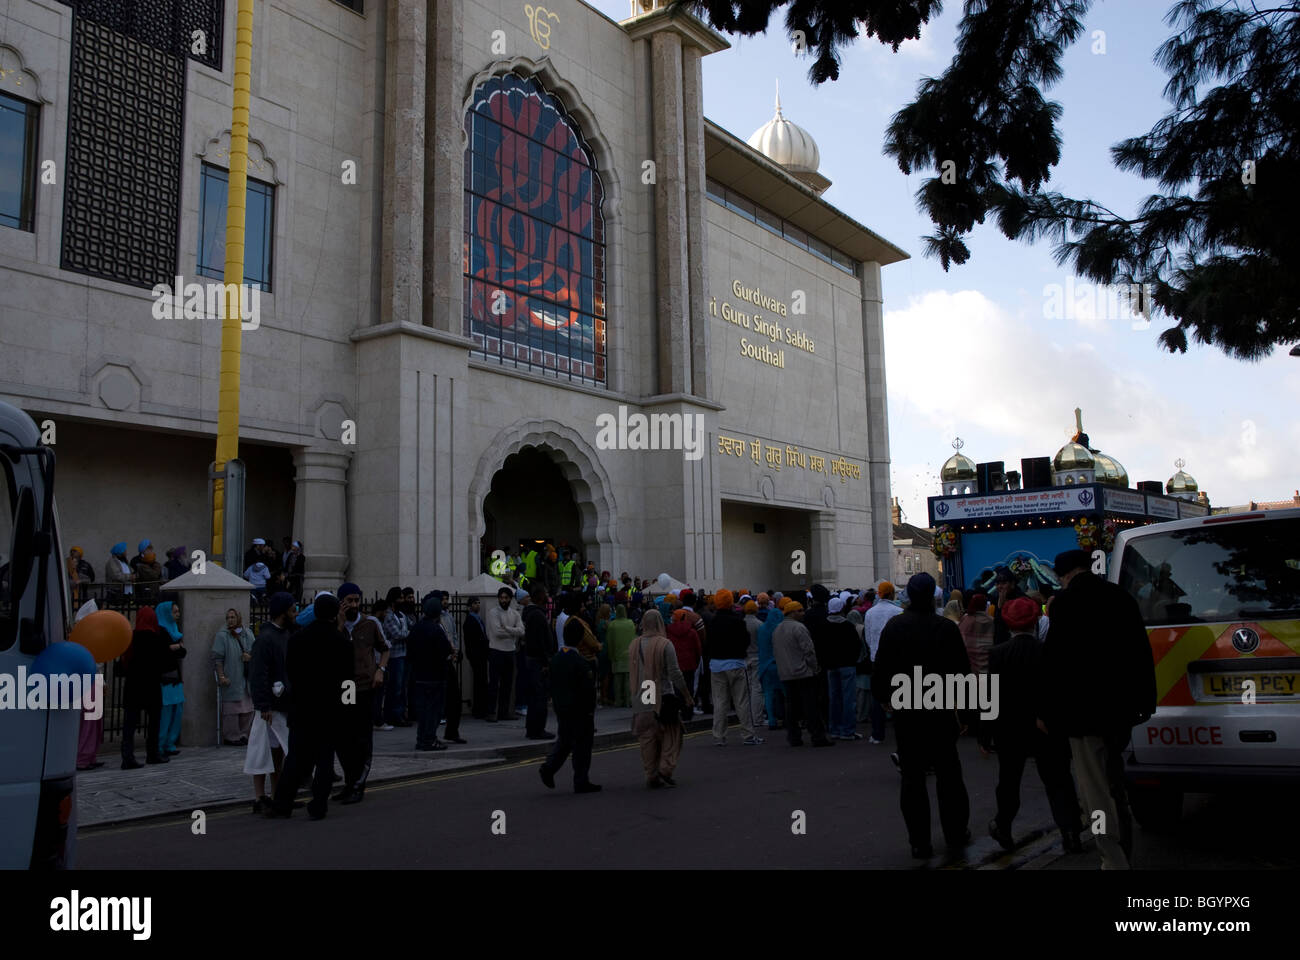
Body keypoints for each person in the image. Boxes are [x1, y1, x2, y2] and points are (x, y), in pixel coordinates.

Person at [1041, 549, 1156, 870]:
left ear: (1064, 575)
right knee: (1114, 782)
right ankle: (1125, 849)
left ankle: (1113, 859)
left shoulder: (1065, 604)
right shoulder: (1120, 597)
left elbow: (1056, 663)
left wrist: (1046, 712)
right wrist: (1146, 703)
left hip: (1083, 715)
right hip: (1121, 711)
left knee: (1095, 795)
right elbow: (1140, 652)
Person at [872, 573, 972, 860]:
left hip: (908, 711)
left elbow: (882, 667)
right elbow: (961, 674)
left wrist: (884, 698)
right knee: (949, 775)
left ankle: (919, 841)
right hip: (940, 710)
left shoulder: (895, 627)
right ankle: (955, 832)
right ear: (932, 596)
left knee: (913, 778)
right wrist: (965, 714)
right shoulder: (945, 628)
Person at [986, 596, 1084, 853]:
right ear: (1035, 621)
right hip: (1046, 727)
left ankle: (1003, 827)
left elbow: (990, 698)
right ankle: (1071, 831)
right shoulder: (1048, 652)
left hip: (1009, 730)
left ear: (1008, 623)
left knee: (1009, 781)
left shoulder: (997, 654)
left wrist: (985, 734)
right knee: (1058, 780)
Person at [267, 592, 350, 820]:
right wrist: (347, 709)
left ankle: (282, 804)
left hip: (302, 707)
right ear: (335, 614)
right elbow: (347, 681)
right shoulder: (342, 642)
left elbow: (291, 673)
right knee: (325, 760)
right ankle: (319, 805)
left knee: (295, 758)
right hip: (330, 710)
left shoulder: (297, 639)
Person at [335, 582, 388, 803]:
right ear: (341, 603)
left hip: (365, 686)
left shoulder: (370, 624)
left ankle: (358, 784)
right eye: (349, 601)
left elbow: (385, 648)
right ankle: (349, 782)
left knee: (363, 736)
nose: (354, 605)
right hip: (344, 687)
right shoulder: (335, 626)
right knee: (343, 737)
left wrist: (380, 670)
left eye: (357, 600)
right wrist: (338, 625)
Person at [629, 608, 693, 788]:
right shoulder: (665, 644)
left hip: (643, 693)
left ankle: (651, 774)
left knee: (648, 737)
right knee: (672, 732)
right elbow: (675, 673)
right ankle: (665, 767)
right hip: (662, 692)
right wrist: (686, 695)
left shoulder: (634, 644)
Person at [538, 618, 602, 793]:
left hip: (561, 707)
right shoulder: (581, 663)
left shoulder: (556, 660)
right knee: (582, 746)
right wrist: (590, 711)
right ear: (581, 639)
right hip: (580, 711)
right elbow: (588, 691)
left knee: (565, 740)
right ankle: (581, 780)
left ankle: (549, 768)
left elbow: (550, 683)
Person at [246, 591, 294, 814]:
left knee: (278, 752)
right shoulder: (265, 639)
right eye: (292, 609)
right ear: (283, 612)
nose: (296, 612)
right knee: (260, 751)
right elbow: (258, 674)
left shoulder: (285, 634)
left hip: (282, 704)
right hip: (268, 707)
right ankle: (259, 797)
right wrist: (263, 704)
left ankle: (276, 795)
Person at [772, 601, 833, 747]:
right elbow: (809, 651)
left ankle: (794, 737)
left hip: (786, 673)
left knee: (791, 707)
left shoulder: (777, 629)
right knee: (811, 706)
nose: (803, 613)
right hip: (803, 672)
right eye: (800, 610)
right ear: (792, 612)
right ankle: (817, 737)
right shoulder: (799, 628)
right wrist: (814, 667)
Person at [706, 590, 760, 746]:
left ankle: (719, 736)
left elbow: (707, 643)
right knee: (741, 701)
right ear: (730, 602)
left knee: (720, 702)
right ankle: (748, 735)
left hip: (716, 665)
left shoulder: (712, 622)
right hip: (735, 663)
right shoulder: (738, 621)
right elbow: (745, 641)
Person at [121, 606, 167, 768]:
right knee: (153, 723)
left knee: (129, 725)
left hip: (133, 686)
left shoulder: (130, 637)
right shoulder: (157, 638)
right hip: (151, 686)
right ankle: (152, 754)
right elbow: (164, 664)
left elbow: (122, 665)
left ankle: (127, 757)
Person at [407, 593, 454, 751]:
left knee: (423, 711)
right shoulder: (436, 630)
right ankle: (429, 739)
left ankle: (421, 739)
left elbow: (410, 650)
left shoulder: (416, 628)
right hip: (435, 676)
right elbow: (445, 651)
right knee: (434, 711)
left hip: (419, 675)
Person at [861, 581, 903, 743]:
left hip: (876, 659)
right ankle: (901, 731)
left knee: (877, 696)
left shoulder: (870, 613)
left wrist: (873, 651)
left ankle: (877, 733)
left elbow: (868, 636)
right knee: (899, 695)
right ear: (892, 593)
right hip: (896, 659)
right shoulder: (898, 611)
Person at [823, 596, 864, 740]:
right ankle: (847, 730)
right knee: (848, 699)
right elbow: (856, 645)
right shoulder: (847, 626)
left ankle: (834, 728)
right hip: (847, 665)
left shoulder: (824, 626)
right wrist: (853, 659)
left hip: (831, 666)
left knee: (834, 698)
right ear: (841, 609)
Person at [213, 608, 255, 745]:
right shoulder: (222, 636)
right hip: (232, 675)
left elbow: (255, 650)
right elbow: (217, 658)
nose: (230, 620)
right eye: (228, 617)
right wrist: (221, 676)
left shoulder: (247, 633)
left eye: (233, 617)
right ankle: (231, 736)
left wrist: (249, 657)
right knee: (231, 711)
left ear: (239, 618)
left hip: (245, 677)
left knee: (247, 709)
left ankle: (244, 734)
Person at [521, 586, 556, 739]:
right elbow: (540, 642)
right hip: (538, 661)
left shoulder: (534, 614)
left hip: (534, 659)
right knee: (539, 698)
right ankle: (537, 730)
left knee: (535, 697)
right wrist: (545, 661)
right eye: (546, 596)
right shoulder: (537, 615)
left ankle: (532, 729)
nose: (548, 600)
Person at [484, 586, 524, 721]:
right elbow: (496, 632)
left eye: (506, 598)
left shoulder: (515, 614)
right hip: (496, 651)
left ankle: (504, 712)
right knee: (494, 683)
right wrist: (513, 632)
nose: (503, 600)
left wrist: (507, 628)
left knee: (507, 684)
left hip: (510, 651)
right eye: (501, 598)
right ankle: (491, 712)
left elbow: (522, 631)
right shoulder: (493, 613)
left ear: (510, 599)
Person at [155, 601, 186, 756]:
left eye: (178, 611)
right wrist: (170, 648)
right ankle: (160, 744)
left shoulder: (174, 630)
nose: (177, 614)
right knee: (165, 712)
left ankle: (170, 742)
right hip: (165, 677)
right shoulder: (160, 631)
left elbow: (182, 652)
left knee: (178, 709)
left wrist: (177, 648)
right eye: (174, 612)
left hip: (175, 676)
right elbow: (159, 653)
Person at [436, 591, 466, 743]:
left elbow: (454, 635)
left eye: (447, 599)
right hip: (439, 664)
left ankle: (451, 731)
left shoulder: (448, 616)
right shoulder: (432, 621)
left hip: (449, 660)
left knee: (454, 698)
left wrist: (456, 651)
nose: (446, 602)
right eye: (443, 599)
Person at [378, 589, 410, 727]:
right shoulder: (389, 616)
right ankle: (393, 715)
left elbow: (409, 628)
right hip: (394, 655)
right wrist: (408, 632)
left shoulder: (401, 614)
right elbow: (397, 634)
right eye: (400, 598)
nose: (402, 601)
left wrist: (407, 632)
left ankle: (401, 713)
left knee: (402, 686)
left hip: (403, 653)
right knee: (395, 687)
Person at [756, 600, 786, 731]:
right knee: (785, 694)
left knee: (768, 694)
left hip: (765, 665)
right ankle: (787, 719)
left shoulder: (762, 628)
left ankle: (772, 721)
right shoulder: (780, 628)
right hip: (780, 665)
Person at [462, 595, 491, 719]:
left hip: (481, 654)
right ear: (469, 606)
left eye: (478, 603)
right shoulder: (470, 620)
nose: (477, 605)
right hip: (476, 655)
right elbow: (471, 640)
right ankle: (479, 709)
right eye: (475, 603)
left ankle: (481, 707)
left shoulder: (478, 618)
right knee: (479, 682)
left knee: (482, 681)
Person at [605, 604, 635, 707]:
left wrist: (611, 656)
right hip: (629, 655)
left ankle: (619, 701)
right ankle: (628, 701)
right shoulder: (630, 623)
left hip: (617, 656)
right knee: (628, 680)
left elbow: (610, 642)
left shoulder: (612, 625)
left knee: (617, 681)